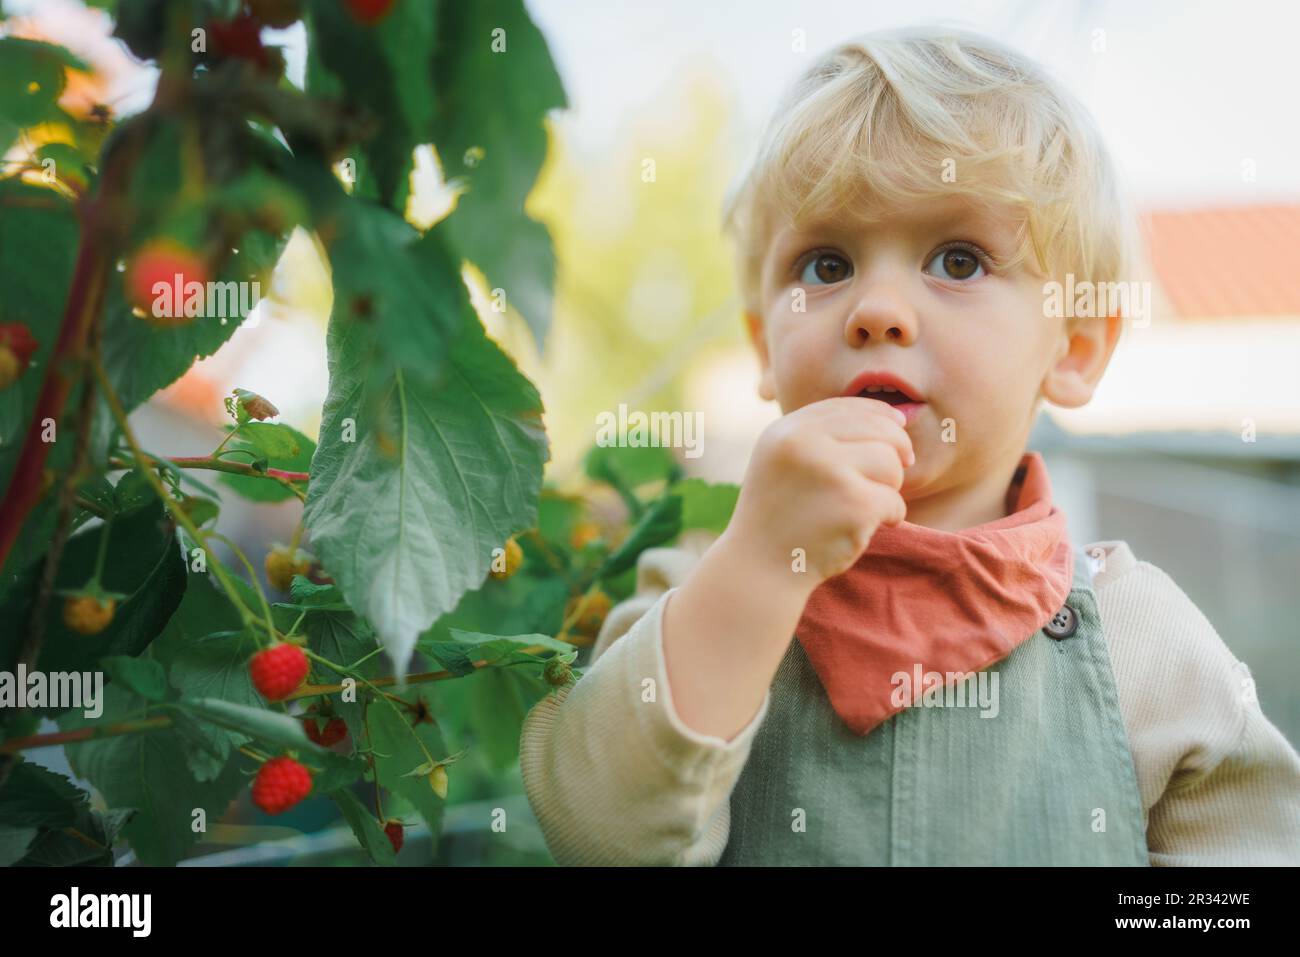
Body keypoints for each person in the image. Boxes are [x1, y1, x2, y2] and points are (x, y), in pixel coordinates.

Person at [519, 25, 1300, 865]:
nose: (876, 308)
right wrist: (757, 566)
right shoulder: (705, 581)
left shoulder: (1145, 636)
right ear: (761, 347)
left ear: (1073, 348)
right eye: (824, 265)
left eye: (957, 260)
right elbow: (601, 835)